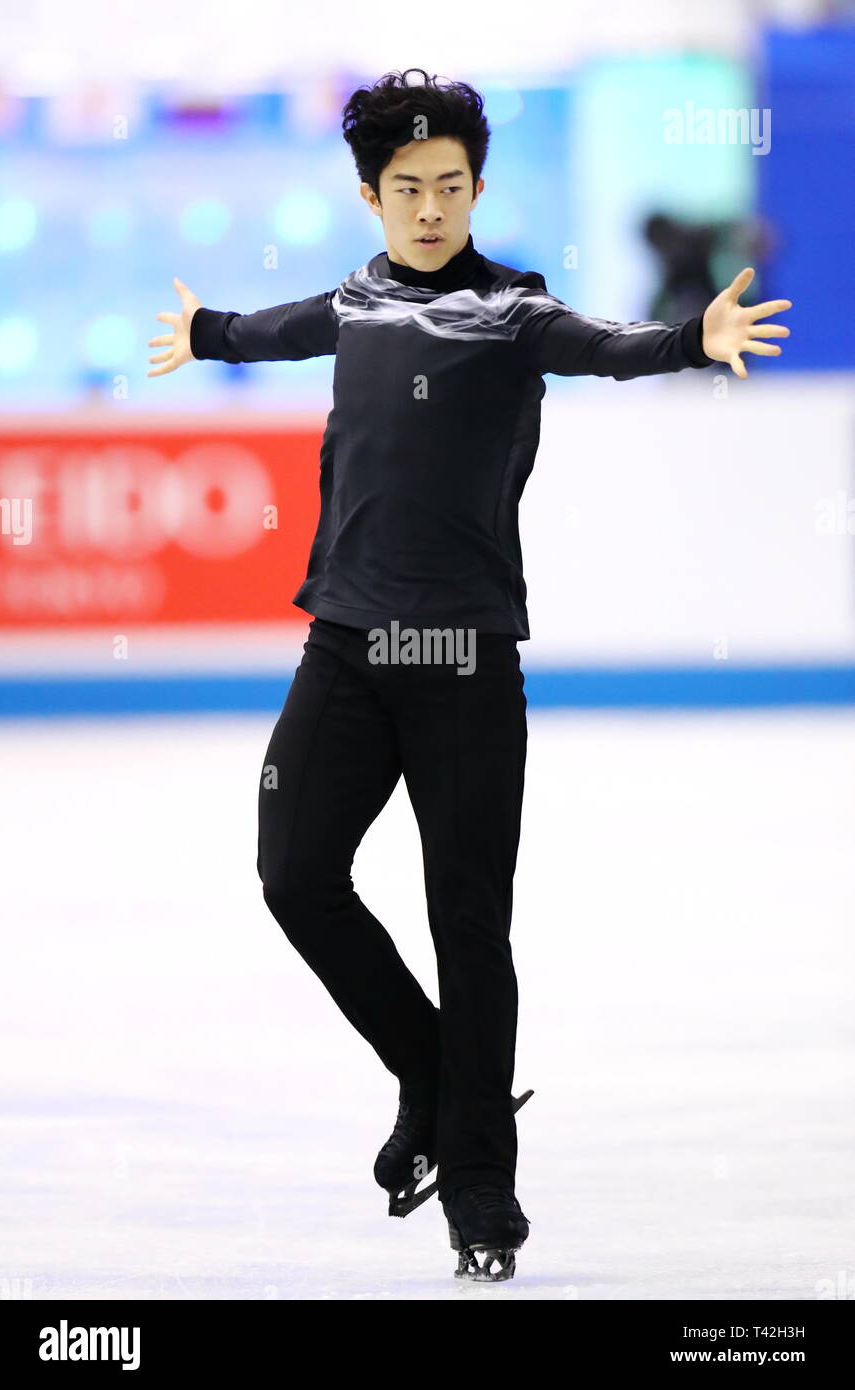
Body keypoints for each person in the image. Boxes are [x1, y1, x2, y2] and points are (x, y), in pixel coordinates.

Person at [147, 67, 791, 1281]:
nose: (430, 207)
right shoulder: (354, 300)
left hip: (464, 665)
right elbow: (279, 329)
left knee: (467, 925)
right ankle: (436, 1078)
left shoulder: (511, 310)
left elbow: (606, 345)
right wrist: (207, 333)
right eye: (407, 189)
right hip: (343, 648)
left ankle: (480, 1197)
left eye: (449, 187)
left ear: (477, 189)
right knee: (293, 872)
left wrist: (691, 342)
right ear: (370, 196)